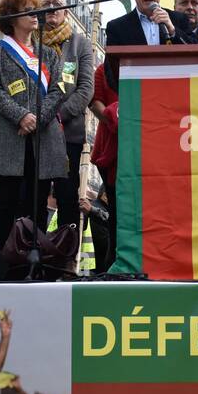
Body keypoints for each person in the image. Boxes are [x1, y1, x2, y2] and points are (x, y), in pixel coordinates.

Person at [0, 0, 67, 249]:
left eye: (36, 10)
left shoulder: (48, 55)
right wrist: (20, 115)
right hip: (10, 135)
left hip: (43, 137)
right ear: (11, 17)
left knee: (38, 201)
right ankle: (2, 258)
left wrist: (37, 119)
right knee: (6, 200)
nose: (36, 15)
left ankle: (35, 257)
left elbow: (58, 89)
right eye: (28, 10)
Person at [38, 0, 95, 234]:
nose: (52, 9)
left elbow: (86, 89)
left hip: (67, 133)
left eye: (56, 4)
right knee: (35, 196)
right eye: (46, 4)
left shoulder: (80, 44)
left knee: (67, 196)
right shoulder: (30, 41)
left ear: (67, 11)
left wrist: (58, 116)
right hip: (35, 133)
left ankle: (66, 256)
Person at [89, 63, 119, 270]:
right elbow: (94, 102)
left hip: (143, 144)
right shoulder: (102, 70)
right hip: (111, 145)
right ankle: (115, 262)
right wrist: (114, 119)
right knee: (116, 210)